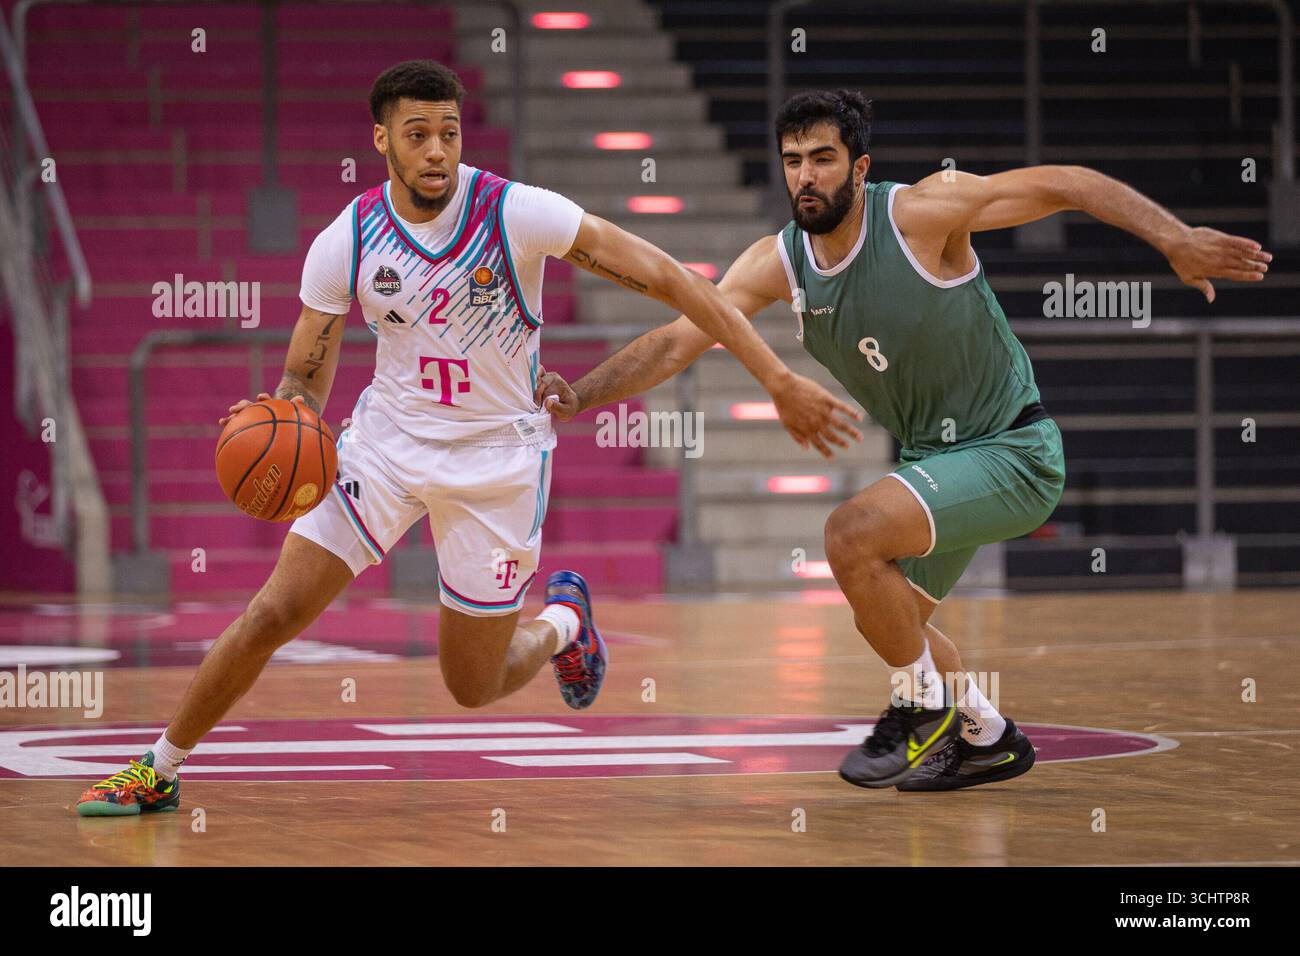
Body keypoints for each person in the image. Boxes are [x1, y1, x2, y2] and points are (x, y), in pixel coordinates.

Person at [75, 62, 859, 816]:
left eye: (448, 132)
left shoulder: (518, 213)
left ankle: (564, 625)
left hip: (499, 464)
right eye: (417, 134)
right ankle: (160, 768)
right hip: (383, 451)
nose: (438, 151)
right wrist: (284, 416)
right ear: (381, 139)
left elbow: (675, 281)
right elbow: (305, 375)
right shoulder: (344, 240)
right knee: (271, 613)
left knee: (470, 687)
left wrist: (778, 380)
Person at [535, 89, 1272, 791]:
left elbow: (1068, 182)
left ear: (859, 167)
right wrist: (581, 394)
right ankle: (986, 735)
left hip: (1015, 451)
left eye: (822, 158)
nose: (805, 175)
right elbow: (674, 342)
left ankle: (920, 709)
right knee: (891, 615)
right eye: (792, 160)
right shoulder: (777, 261)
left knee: (850, 536)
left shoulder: (922, 213)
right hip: (936, 460)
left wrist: (1176, 239)